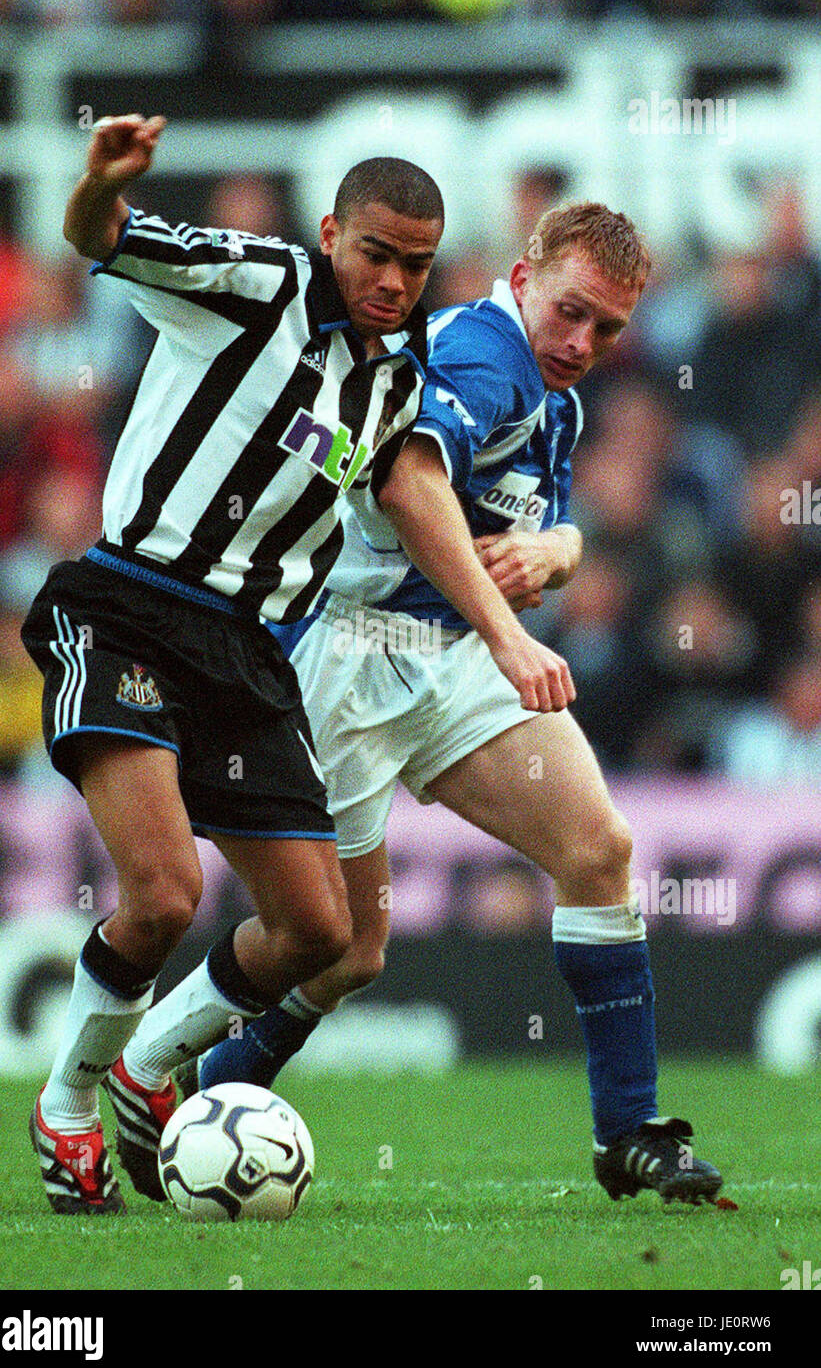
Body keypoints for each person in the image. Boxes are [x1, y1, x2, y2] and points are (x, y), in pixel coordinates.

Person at [23, 115, 570, 1214]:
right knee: (167, 892)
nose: (395, 280)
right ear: (331, 234)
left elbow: (414, 499)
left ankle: (146, 1066)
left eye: (417, 264)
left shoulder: (397, 380)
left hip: (251, 650)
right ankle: (69, 1101)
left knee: (320, 932)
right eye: (375, 253)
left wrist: (512, 621)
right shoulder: (253, 280)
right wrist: (97, 182)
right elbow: (102, 235)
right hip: (132, 606)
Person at [172, 200, 723, 1205]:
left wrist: (557, 551)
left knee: (595, 851)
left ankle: (628, 1132)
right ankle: (180, 1079)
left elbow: (548, 538)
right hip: (348, 655)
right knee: (340, 949)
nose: (580, 342)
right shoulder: (477, 354)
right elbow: (407, 481)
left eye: (606, 329)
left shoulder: (554, 397)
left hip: (451, 657)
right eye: (568, 312)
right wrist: (516, 629)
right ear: (523, 275)